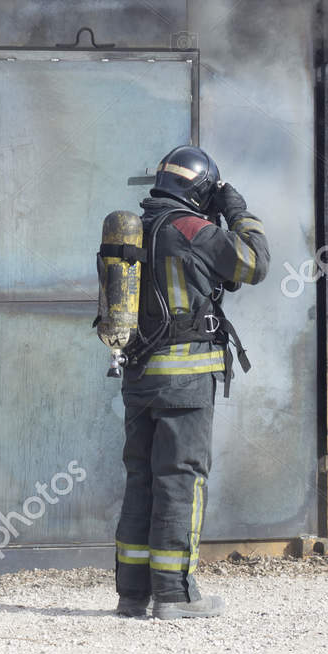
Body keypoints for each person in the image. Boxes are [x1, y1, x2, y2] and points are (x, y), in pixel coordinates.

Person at [113, 145, 269, 621]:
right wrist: (237, 211)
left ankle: (132, 595)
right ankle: (176, 595)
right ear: (201, 191)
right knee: (180, 480)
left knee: (142, 480)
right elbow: (253, 264)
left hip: (139, 379)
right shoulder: (191, 227)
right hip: (184, 381)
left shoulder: (139, 228)